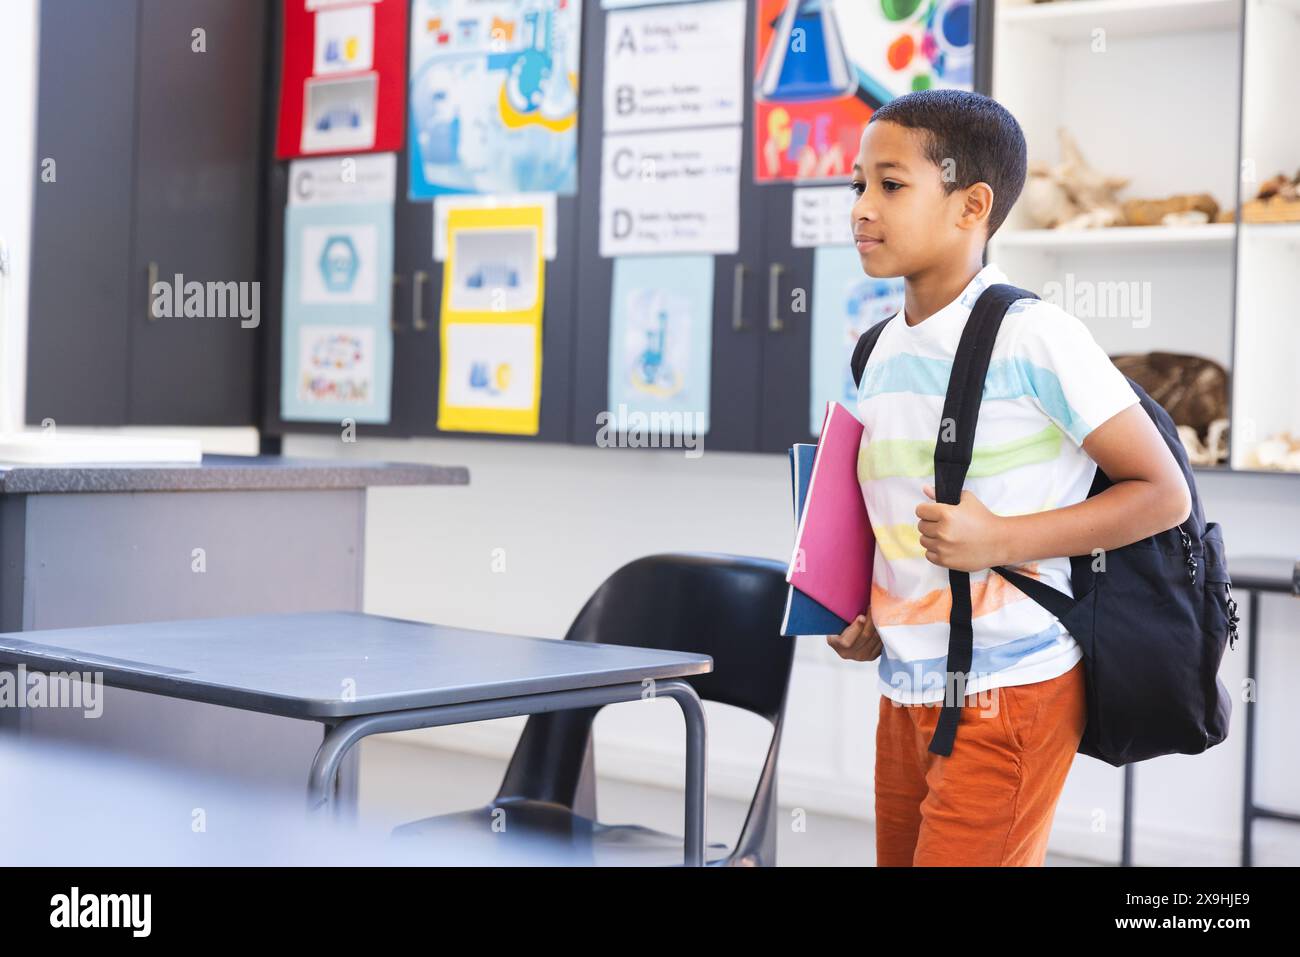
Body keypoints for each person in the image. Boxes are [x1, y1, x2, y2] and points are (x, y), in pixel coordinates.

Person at [826, 89, 1191, 866]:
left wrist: (1001, 538)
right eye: (856, 184)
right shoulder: (874, 351)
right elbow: (893, 518)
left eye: (890, 184)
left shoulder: (1037, 337)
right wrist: (863, 611)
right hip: (905, 688)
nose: (861, 206)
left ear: (972, 205)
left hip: (1011, 687)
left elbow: (1162, 493)